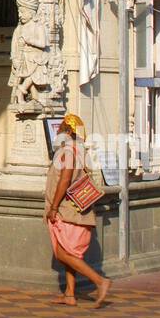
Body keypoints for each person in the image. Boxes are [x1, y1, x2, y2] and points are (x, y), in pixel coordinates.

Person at [44, 113, 111, 307]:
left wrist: (54, 207)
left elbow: (65, 180)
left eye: (61, 129)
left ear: (67, 132)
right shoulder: (77, 151)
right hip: (73, 209)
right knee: (68, 252)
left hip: (67, 210)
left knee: (63, 253)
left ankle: (100, 281)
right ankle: (70, 294)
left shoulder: (69, 152)